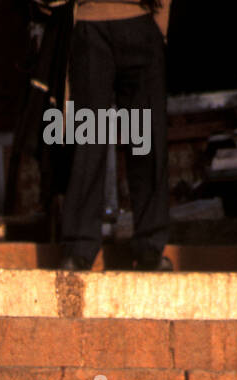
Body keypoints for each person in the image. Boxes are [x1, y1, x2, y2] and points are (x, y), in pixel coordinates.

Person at [59, 0, 173, 271]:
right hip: (90, 23)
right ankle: (79, 248)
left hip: (141, 19)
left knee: (145, 138)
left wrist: (159, 25)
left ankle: (150, 248)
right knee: (90, 138)